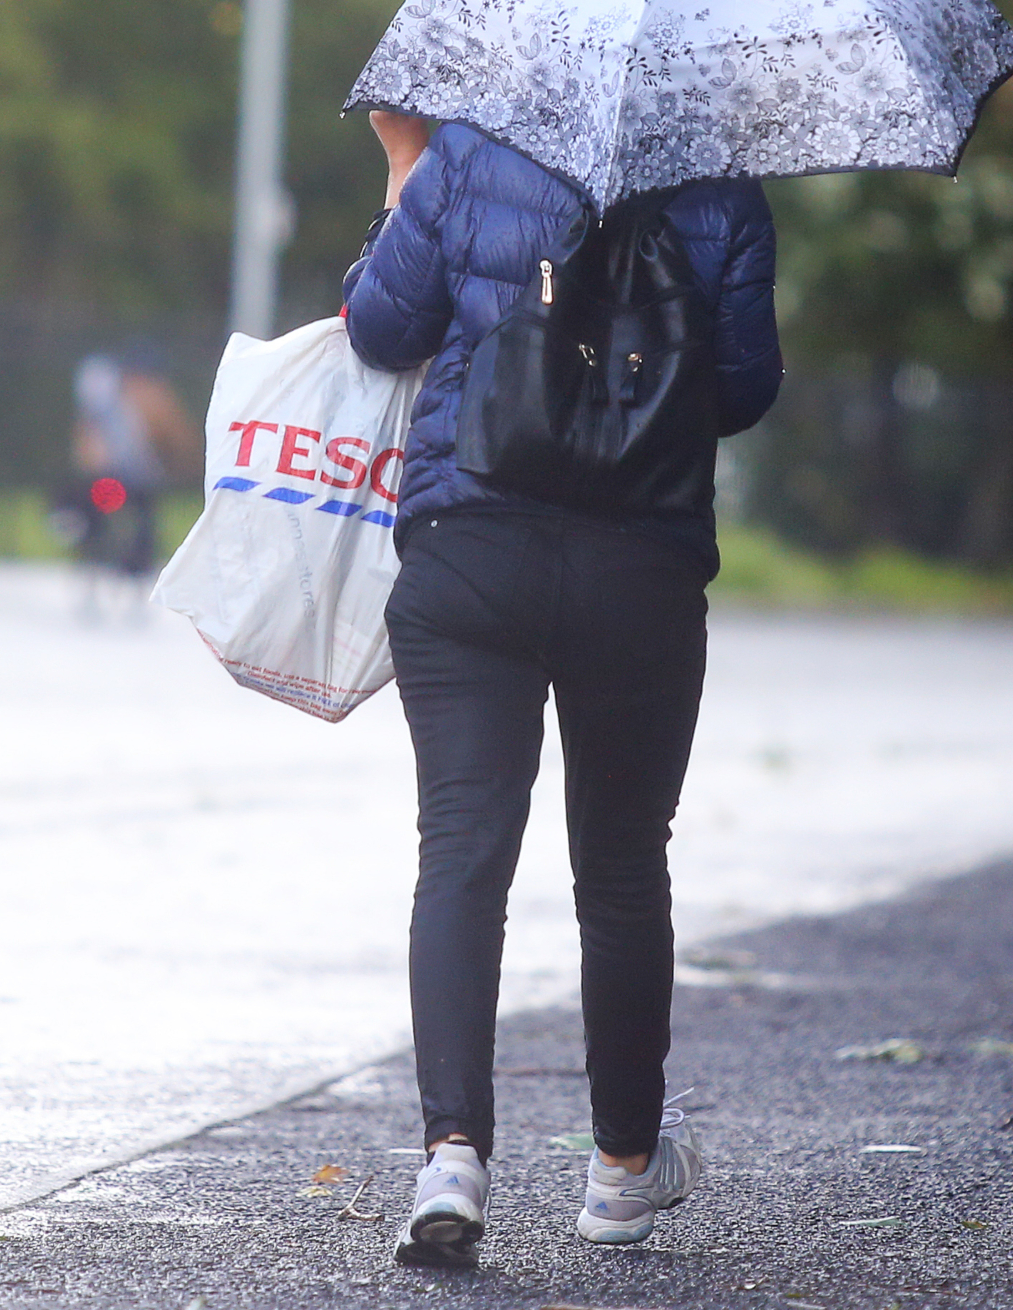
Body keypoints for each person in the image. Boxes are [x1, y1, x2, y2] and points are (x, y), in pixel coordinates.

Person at [341, 108, 780, 1269]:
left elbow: (382, 327)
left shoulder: (472, 154)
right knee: (624, 866)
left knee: (462, 852)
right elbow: (740, 391)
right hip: (638, 565)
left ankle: (451, 1160)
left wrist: (403, 173)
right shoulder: (724, 189)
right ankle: (624, 1170)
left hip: (469, 544)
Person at [57, 350, 195, 613]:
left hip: (118, 480)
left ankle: (105, 578)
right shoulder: (151, 399)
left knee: (119, 530)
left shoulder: (107, 399)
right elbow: (176, 437)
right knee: (130, 529)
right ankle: (116, 581)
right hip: (124, 481)